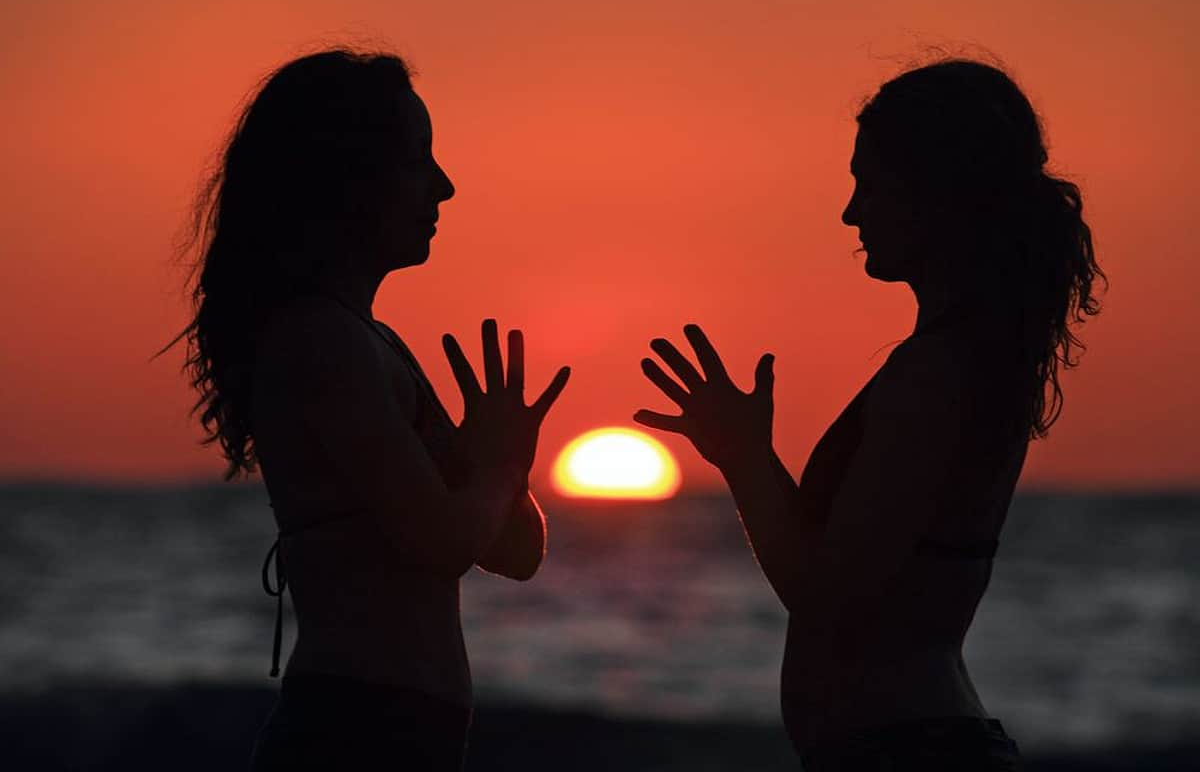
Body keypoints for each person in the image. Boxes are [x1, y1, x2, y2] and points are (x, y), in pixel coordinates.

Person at [635, 59, 1105, 770]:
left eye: (868, 184)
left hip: (912, 751)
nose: (852, 213)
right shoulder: (961, 361)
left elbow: (831, 599)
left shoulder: (938, 377)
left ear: (936, 196)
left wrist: (745, 458)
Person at [167, 48, 570, 770]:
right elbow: (445, 541)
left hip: (407, 731)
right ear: (345, 180)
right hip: (352, 728)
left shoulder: (371, 342)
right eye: (418, 160)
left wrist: (499, 466)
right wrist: (499, 462)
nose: (443, 187)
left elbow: (514, 551)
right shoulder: (316, 340)